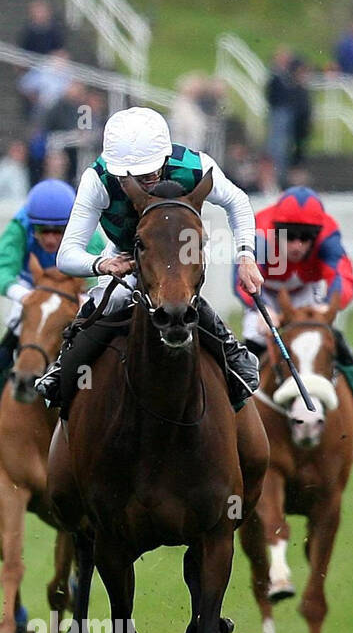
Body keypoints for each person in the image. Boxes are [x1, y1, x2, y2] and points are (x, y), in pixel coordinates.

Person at [35, 107, 263, 414]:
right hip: (126, 256)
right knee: (113, 299)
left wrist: (246, 256)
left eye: (151, 172)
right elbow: (67, 254)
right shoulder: (98, 180)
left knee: (183, 298)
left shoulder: (195, 166)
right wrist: (102, 265)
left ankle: (232, 356)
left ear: (165, 158)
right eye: (136, 177)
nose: (147, 182)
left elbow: (237, 200)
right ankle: (65, 367)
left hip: (178, 254)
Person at [0, 179, 105, 444]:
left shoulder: (89, 230)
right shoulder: (18, 227)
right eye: (44, 231)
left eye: (59, 231)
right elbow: (2, 269)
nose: (52, 238)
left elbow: (99, 272)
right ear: (32, 225)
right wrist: (26, 297)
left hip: (71, 294)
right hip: (31, 290)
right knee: (15, 329)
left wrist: (83, 297)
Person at [240, 187, 353, 427]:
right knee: (256, 334)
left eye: (305, 237)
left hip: (306, 290)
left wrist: (328, 308)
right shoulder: (259, 234)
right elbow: (241, 281)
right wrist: (261, 309)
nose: (296, 246)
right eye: (289, 236)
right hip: (263, 293)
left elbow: (341, 276)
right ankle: (237, 392)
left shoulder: (329, 236)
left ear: (317, 234)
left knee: (321, 335)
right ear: (276, 231)